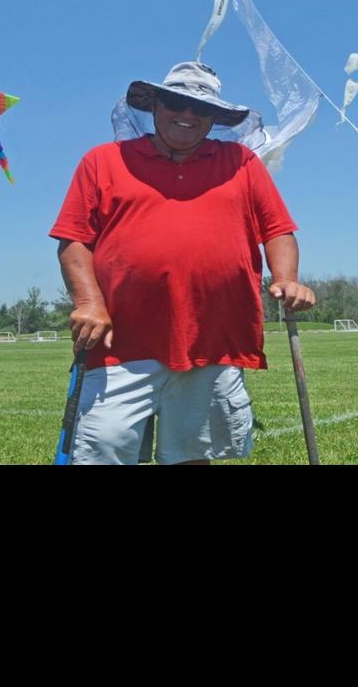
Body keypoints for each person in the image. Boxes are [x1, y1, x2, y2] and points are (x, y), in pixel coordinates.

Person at [51, 62, 315, 465]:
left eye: (202, 109)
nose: (188, 115)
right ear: (155, 105)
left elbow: (277, 229)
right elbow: (73, 239)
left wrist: (287, 279)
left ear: (214, 118)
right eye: (177, 102)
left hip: (213, 338)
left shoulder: (241, 162)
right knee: (102, 451)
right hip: (119, 343)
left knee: (193, 453)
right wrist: (88, 302)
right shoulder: (103, 161)